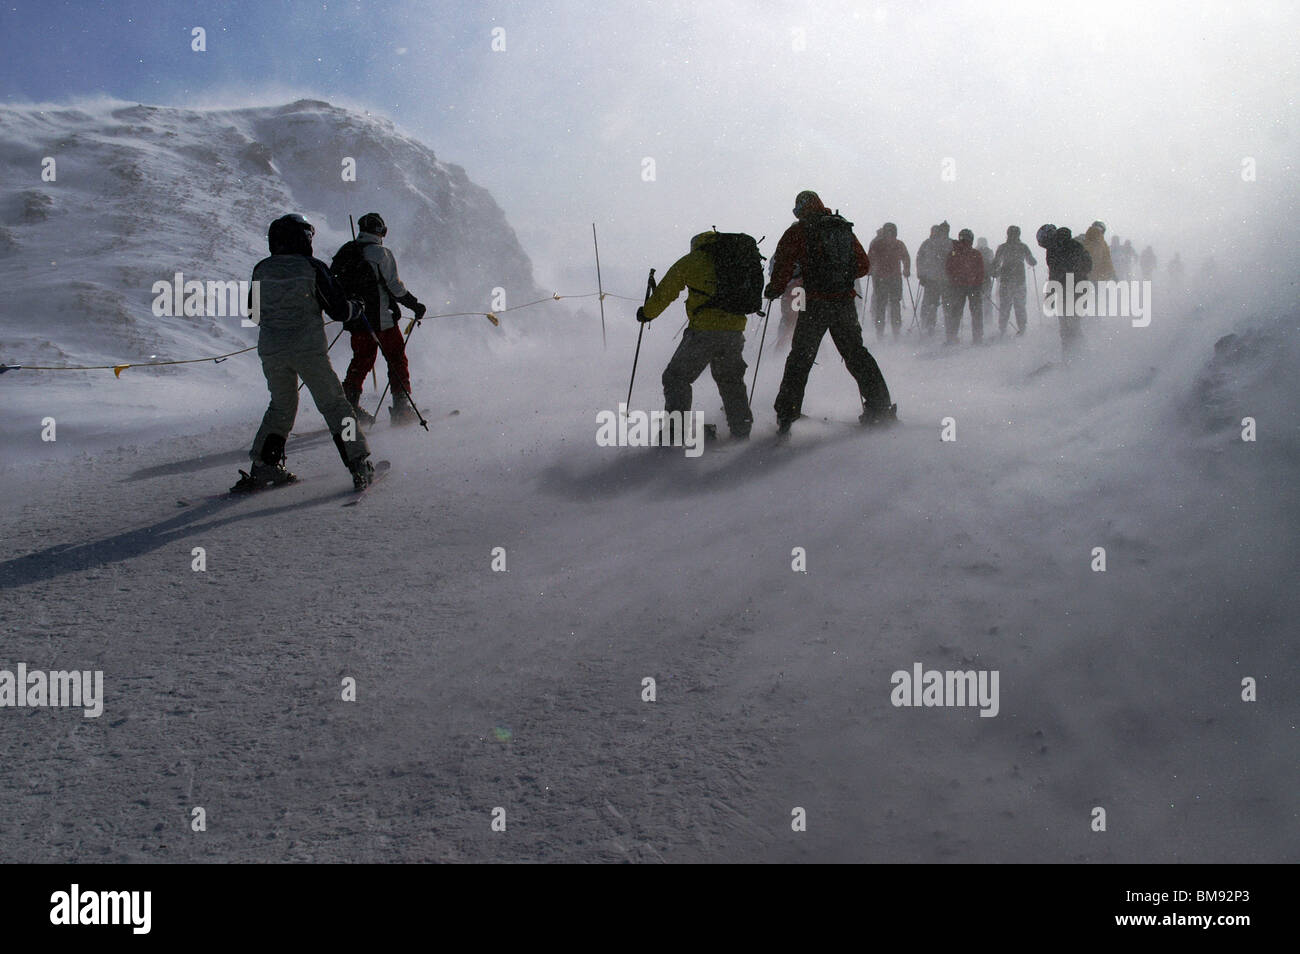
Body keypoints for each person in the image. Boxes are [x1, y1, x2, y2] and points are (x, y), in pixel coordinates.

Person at [234, 214, 374, 492]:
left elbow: (252, 313)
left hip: (272, 349)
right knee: (335, 405)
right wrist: (357, 306)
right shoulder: (312, 267)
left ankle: (264, 466)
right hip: (308, 348)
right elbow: (339, 310)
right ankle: (359, 463)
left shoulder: (262, 268)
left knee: (281, 405)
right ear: (303, 238)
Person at [765, 190, 895, 433]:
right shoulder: (842, 227)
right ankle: (880, 407)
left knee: (800, 358)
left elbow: (782, 266)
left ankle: (787, 413)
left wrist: (774, 289)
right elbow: (864, 266)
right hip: (844, 303)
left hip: (814, 302)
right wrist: (840, 278)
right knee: (856, 354)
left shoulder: (798, 231)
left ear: (799, 209)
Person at [636, 231, 753, 439]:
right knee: (730, 379)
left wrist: (646, 313)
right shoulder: (735, 259)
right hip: (735, 330)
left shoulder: (694, 260)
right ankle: (741, 430)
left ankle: (675, 433)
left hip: (705, 331)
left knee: (676, 377)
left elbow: (666, 292)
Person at [331, 212, 427, 426]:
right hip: (383, 320)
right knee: (396, 359)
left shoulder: (345, 252)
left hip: (356, 320)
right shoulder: (381, 253)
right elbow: (394, 287)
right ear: (381, 231)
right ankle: (402, 409)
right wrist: (415, 305)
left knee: (361, 360)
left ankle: (349, 408)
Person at [1036, 224, 1092, 362]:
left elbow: (1054, 274)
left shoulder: (1054, 250)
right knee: (1071, 325)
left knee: (1068, 327)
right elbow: (1088, 265)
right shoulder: (1075, 245)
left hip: (1069, 290)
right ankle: (1075, 356)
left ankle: (1073, 358)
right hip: (1078, 288)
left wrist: (1050, 295)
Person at [867, 222, 911, 341]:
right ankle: (881, 332)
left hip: (890, 278)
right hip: (885, 278)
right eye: (888, 231)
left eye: (891, 232)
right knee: (884, 305)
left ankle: (894, 331)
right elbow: (870, 258)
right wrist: (869, 268)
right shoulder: (887, 244)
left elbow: (906, 257)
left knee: (892, 304)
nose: (889, 234)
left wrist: (906, 269)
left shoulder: (884, 244)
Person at [991, 225, 1037, 336]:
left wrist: (995, 271)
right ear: (1019, 234)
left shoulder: (1003, 247)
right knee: (1020, 306)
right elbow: (1032, 261)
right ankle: (1022, 329)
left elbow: (996, 263)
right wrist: (1032, 261)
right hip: (1019, 280)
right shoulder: (1023, 247)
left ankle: (1003, 329)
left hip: (1006, 280)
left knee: (1005, 306)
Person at [944, 229, 985, 344]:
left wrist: (954, 281)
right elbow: (980, 271)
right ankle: (977, 338)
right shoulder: (972, 253)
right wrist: (978, 283)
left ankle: (952, 338)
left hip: (962, 287)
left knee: (956, 313)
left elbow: (948, 269)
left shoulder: (955, 252)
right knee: (972, 313)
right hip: (966, 287)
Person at [915, 222, 951, 335]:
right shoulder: (949, 243)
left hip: (938, 279)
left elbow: (920, 258)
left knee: (932, 304)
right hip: (939, 279)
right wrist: (921, 274)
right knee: (940, 304)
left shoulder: (929, 243)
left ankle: (930, 327)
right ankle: (939, 328)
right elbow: (920, 258)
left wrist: (921, 274)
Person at [976, 236, 995, 326]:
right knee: (987, 300)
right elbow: (992, 263)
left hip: (976, 279)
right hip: (985, 278)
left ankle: (979, 320)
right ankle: (988, 320)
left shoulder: (975, 251)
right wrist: (994, 272)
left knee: (978, 301)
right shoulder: (989, 252)